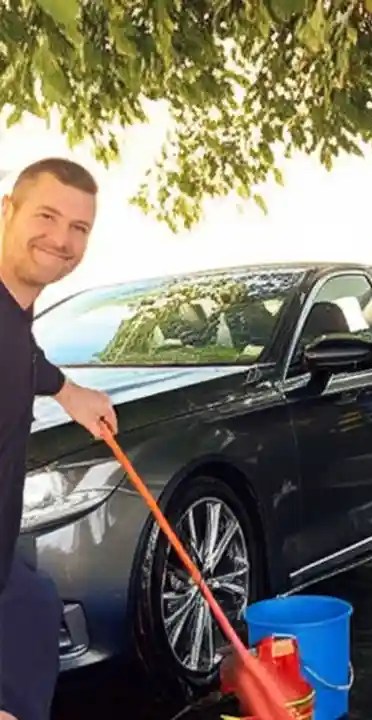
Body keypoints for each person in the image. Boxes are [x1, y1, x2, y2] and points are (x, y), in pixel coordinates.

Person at [0, 158, 118, 720]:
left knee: (33, 602)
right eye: (46, 216)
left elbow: (24, 352)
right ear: (7, 212)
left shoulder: (14, 319)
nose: (61, 239)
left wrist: (68, 390)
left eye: (79, 228)